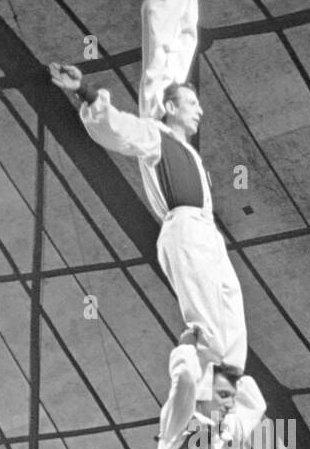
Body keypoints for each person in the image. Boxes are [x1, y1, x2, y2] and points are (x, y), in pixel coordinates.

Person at [49, 65, 248, 374]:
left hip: (206, 232)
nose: (201, 111)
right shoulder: (156, 136)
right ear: (170, 107)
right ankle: (209, 390)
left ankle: (230, 385)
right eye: (192, 104)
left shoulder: (189, 153)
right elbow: (117, 128)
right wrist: (84, 91)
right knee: (206, 310)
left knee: (230, 306)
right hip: (185, 229)